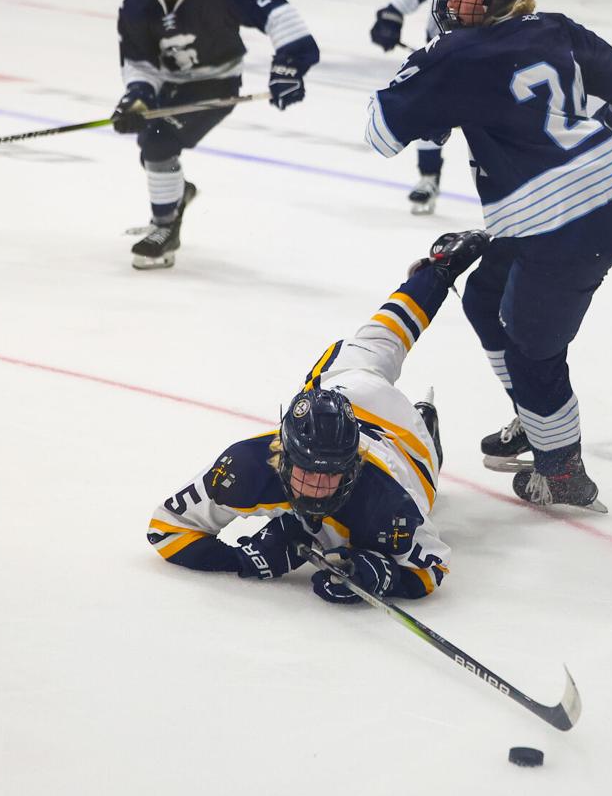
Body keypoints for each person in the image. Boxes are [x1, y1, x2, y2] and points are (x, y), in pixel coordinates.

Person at [365, 0, 612, 513]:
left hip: (568, 231)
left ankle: (563, 472)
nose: (455, 0)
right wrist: (601, 136)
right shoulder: (559, 31)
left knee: (534, 354)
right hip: (575, 215)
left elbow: (381, 133)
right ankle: (537, 421)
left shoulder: (455, 55)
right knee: (484, 298)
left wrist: (427, 68)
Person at [147, 230, 489, 601]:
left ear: (354, 464)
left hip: (406, 445)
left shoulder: (389, 504)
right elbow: (165, 529)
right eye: (308, 470)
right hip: (349, 387)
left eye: (330, 473)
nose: (316, 486)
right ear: (284, 452)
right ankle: (438, 270)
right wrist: (242, 559)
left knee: (424, 485)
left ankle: (427, 428)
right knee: (377, 340)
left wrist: (379, 575)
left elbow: (431, 568)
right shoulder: (246, 467)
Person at [114, 0, 320, 269]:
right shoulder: (136, 5)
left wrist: (290, 64)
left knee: (159, 143)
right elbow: (140, 63)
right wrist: (138, 97)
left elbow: (277, 11)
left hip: (216, 83)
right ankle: (177, 195)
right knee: (151, 146)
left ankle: (166, 229)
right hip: (171, 83)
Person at [368, 0, 505, 215]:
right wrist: (391, 16)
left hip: (487, 58)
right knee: (428, 116)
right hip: (443, 52)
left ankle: (502, 185)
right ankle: (428, 177)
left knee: (490, 126)